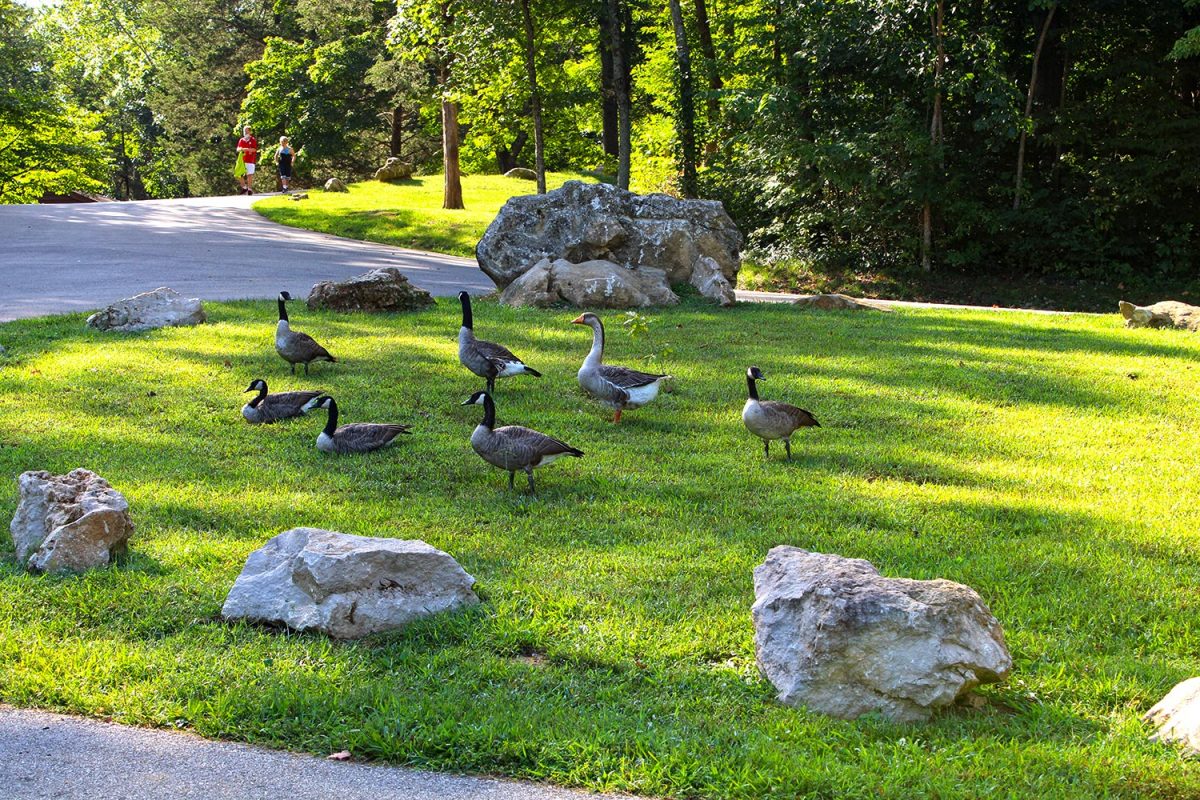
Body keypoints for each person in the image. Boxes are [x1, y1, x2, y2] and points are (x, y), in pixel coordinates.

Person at [236, 125, 258, 195]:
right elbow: (238, 149)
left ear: (250, 131)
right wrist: (242, 149)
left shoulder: (253, 139)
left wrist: (248, 150)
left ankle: (249, 189)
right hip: (242, 160)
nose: (245, 132)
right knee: (239, 174)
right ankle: (244, 187)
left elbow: (254, 149)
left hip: (250, 160)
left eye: (246, 131)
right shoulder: (241, 140)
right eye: (244, 131)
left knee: (249, 175)